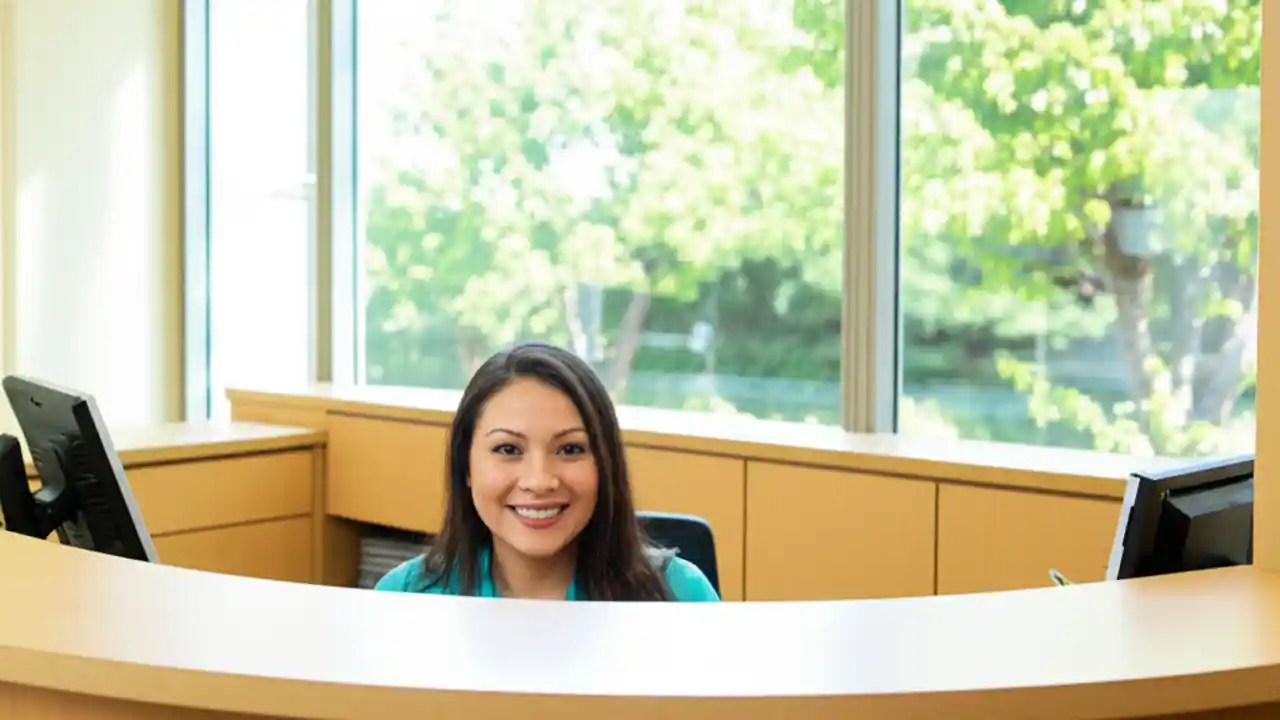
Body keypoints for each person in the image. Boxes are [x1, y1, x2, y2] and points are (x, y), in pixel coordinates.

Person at [374, 341, 719, 601]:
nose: (539, 481)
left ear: (606, 465)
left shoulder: (679, 596)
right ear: (466, 466)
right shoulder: (402, 598)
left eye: (570, 449)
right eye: (508, 450)